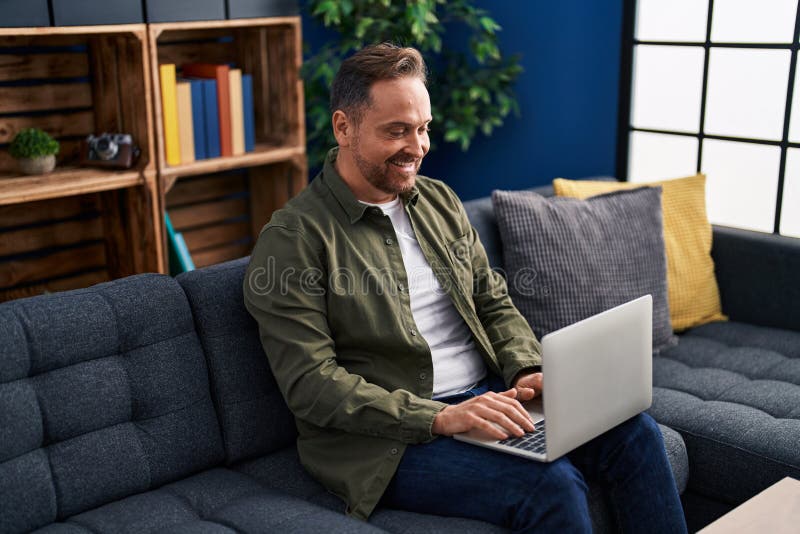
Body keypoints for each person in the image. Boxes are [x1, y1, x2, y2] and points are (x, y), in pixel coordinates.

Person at [244, 43, 687, 533]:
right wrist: (439, 418)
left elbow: (492, 299)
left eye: (423, 128)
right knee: (552, 486)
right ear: (343, 127)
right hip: (388, 441)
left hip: (489, 395)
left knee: (635, 432)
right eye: (397, 131)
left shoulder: (438, 201)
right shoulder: (293, 239)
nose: (417, 147)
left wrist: (528, 368)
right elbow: (311, 385)